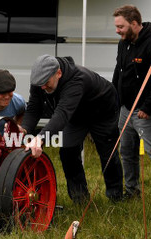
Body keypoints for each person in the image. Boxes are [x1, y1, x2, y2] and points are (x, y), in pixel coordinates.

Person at [21, 54, 123, 203]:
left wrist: (41, 138)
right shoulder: (40, 79)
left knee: (108, 153)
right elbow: (34, 107)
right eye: (39, 84)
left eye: (46, 82)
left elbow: (62, 114)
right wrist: (24, 129)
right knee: (67, 151)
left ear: (59, 73)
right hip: (76, 115)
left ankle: (116, 196)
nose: (42, 87)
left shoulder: (77, 80)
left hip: (103, 112)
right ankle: (79, 198)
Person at [112, 5, 151, 207]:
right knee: (127, 152)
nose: (117, 30)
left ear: (135, 24)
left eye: (121, 26)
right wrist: (116, 99)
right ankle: (132, 191)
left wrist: (147, 107)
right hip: (126, 109)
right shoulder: (123, 44)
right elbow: (118, 71)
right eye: (117, 26)